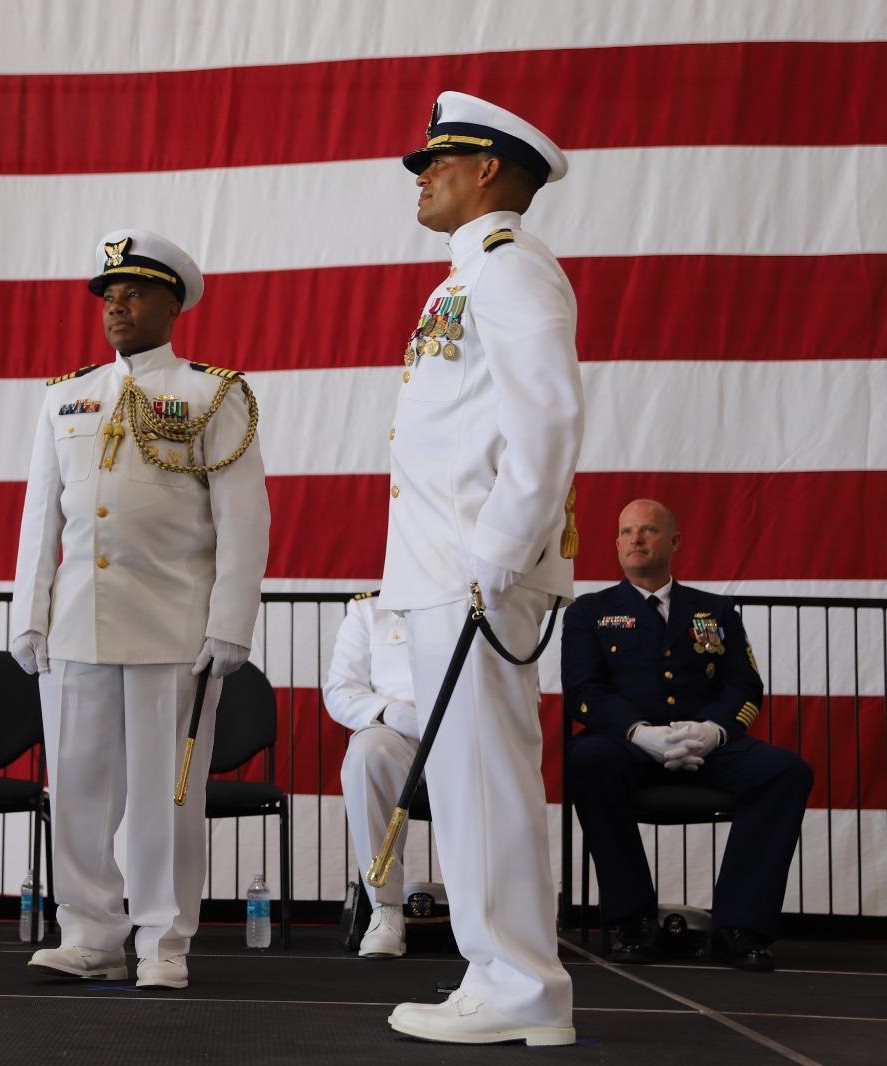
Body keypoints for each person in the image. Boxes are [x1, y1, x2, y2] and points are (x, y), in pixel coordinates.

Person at [10, 229, 270, 990]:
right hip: (79, 622)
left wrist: (231, 622)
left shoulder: (212, 393)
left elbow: (243, 519)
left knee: (166, 796)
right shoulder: (65, 395)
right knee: (80, 788)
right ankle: (89, 934)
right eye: (108, 295)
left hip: (173, 626)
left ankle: (163, 942)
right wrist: (29, 611)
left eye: (133, 293)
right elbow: (41, 518)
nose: (116, 306)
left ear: (172, 303)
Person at [379, 91, 582, 1046]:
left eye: (436, 161)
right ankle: (494, 971)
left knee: (488, 781)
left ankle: (525, 989)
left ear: (487, 170)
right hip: (442, 573)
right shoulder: (462, 279)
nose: (420, 176)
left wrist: (497, 556)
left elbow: (547, 421)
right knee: (465, 784)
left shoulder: (508, 270)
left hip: (475, 574)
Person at [562, 499, 812, 971]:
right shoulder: (588, 612)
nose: (636, 539)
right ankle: (632, 920)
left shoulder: (715, 610)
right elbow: (583, 692)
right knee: (587, 759)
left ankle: (740, 927)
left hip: (706, 744)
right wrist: (641, 733)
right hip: (627, 746)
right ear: (616, 544)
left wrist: (715, 731)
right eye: (627, 531)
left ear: (674, 541)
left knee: (785, 772)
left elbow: (745, 684)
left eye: (649, 530)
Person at [322, 591, 423, 959]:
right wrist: (388, 711)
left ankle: (487, 910)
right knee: (367, 750)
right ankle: (386, 909)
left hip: (462, 732)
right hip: (399, 735)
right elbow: (340, 689)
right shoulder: (369, 610)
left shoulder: (473, 598)